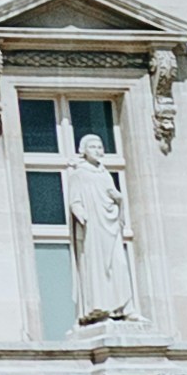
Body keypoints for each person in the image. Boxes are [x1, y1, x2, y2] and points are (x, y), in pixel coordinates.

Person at [67, 134, 138, 326]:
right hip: (93, 226)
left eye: (100, 146)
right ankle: (101, 307)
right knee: (97, 266)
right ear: (84, 151)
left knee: (119, 264)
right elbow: (75, 200)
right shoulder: (79, 173)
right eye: (93, 147)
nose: (98, 150)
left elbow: (112, 193)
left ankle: (124, 307)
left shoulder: (104, 173)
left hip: (110, 222)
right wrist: (80, 213)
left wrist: (118, 198)